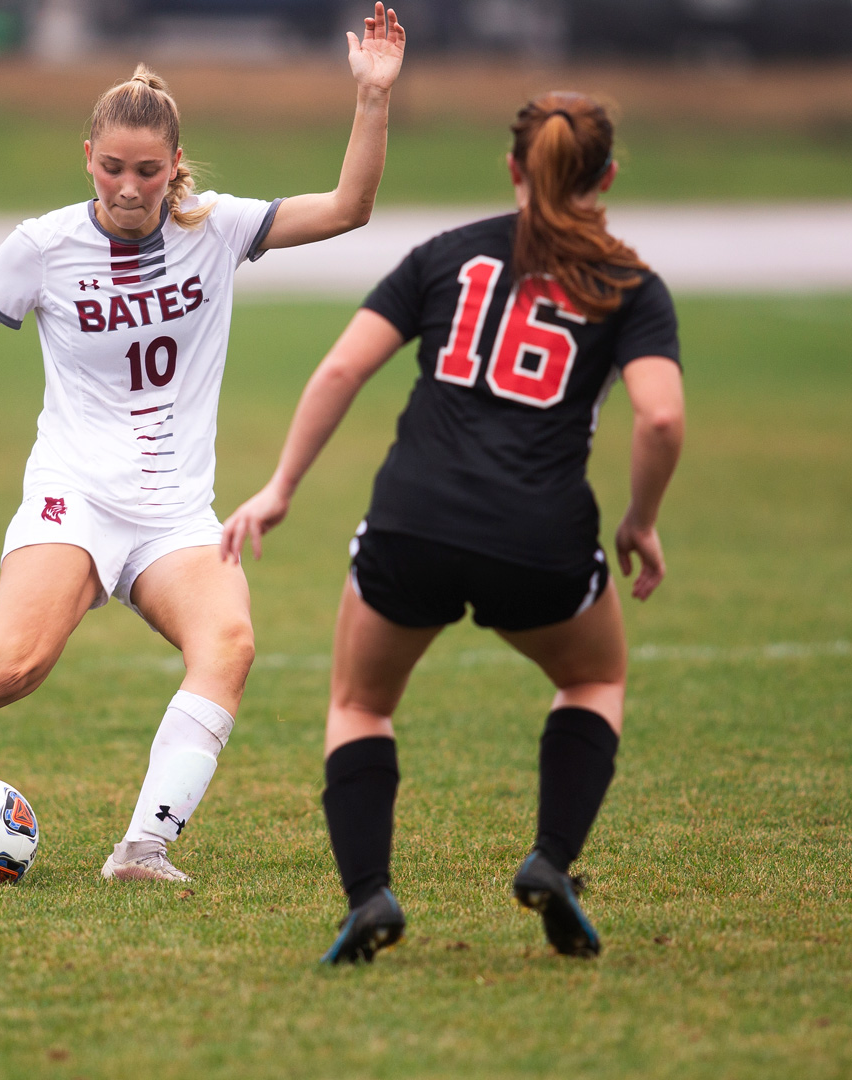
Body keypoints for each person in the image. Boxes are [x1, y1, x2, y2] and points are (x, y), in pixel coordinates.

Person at [0, 7, 406, 883]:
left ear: (176, 165)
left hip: (176, 513)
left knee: (229, 646)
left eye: (148, 170)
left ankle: (143, 848)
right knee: (12, 667)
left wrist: (371, 97)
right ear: (88, 157)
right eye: (113, 167)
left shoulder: (217, 228)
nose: (130, 187)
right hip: (76, 495)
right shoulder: (43, 247)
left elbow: (351, 208)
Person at [221, 92, 685, 962]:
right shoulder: (630, 285)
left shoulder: (445, 255)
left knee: (361, 704)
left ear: (513, 169)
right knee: (594, 681)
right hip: (539, 538)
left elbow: (341, 369)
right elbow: (660, 418)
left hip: (414, 523)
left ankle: (368, 897)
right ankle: (550, 861)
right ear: (607, 178)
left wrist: (282, 485)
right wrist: (641, 519)